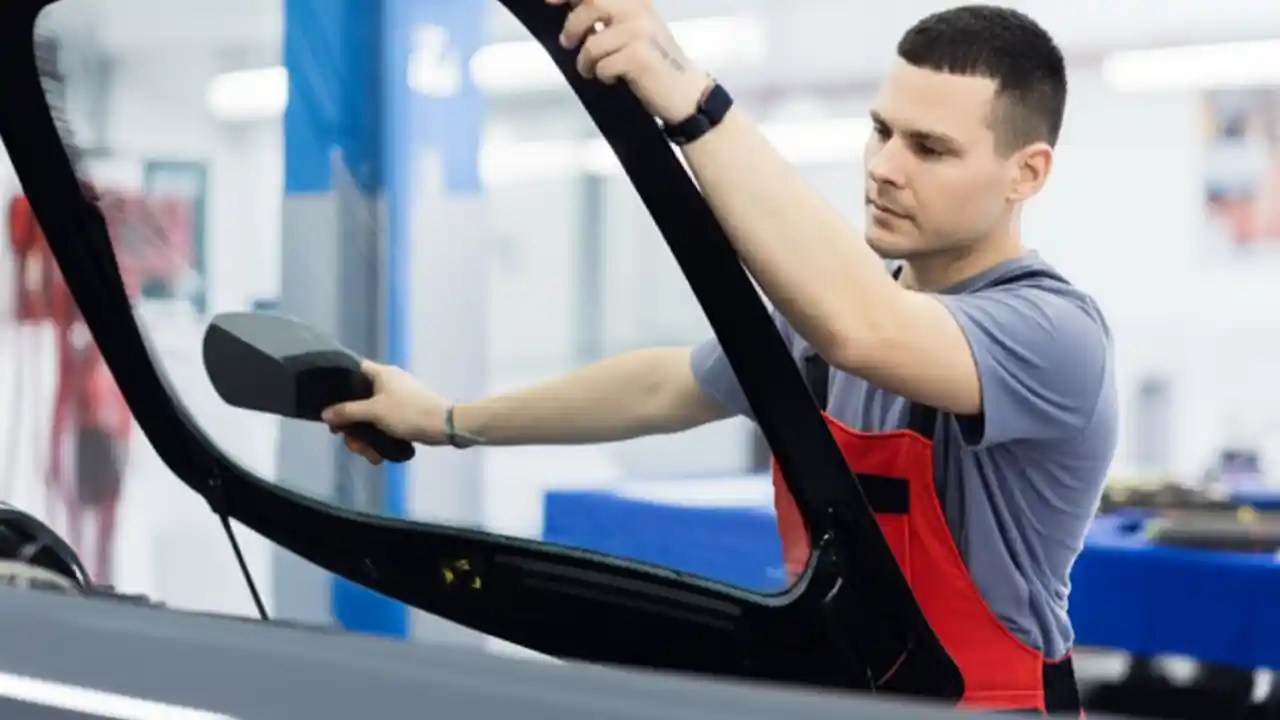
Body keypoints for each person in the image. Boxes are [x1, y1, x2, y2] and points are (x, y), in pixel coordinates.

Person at [323, 2, 1117, 713]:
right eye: (881, 130)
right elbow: (664, 384)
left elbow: (864, 330)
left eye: (930, 148)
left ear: (1027, 172)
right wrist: (447, 419)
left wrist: (695, 103)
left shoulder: (1053, 335)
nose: (884, 167)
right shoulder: (820, 325)